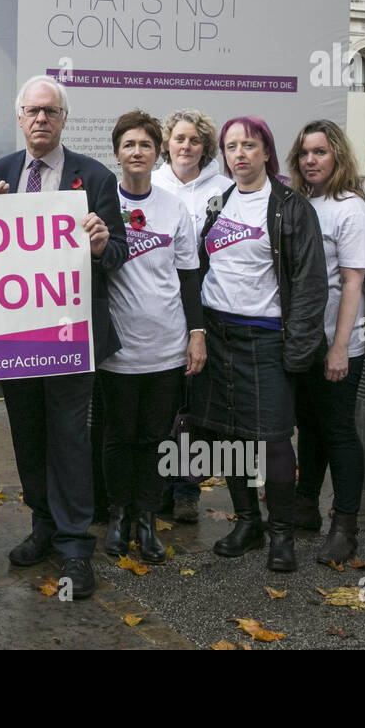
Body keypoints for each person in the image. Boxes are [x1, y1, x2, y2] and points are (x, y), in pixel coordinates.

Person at [0, 75, 127, 599]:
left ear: (63, 119)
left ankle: (73, 545)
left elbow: (117, 255)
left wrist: (100, 243)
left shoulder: (94, 177)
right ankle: (42, 525)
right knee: (26, 434)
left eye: (51, 111)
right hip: (15, 337)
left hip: (72, 335)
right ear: (20, 117)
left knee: (69, 438)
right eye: (32, 111)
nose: (41, 119)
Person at [187, 116, 327, 572]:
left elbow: (309, 284)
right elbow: (203, 268)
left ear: (267, 151)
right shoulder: (217, 203)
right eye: (231, 147)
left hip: (266, 338)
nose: (240, 154)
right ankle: (247, 522)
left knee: (272, 441)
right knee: (230, 437)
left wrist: (298, 351)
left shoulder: (291, 206)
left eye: (249, 145)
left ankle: (280, 533)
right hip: (219, 335)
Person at [98, 110, 205, 563]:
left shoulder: (173, 206)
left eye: (145, 145)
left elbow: (188, 276)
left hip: (166, 344)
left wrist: (196, 333)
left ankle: (147, 519)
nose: (137, 152)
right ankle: (119, 516)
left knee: (156, 437)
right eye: (129, 145)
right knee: (119, 436)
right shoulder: (103, 204)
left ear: (156, 152)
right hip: (119, 348)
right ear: (117, 153)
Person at [286, 120, 365, 565]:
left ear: (337, 155)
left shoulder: (349, 208)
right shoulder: (301, 203)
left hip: (338, 342)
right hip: (304, 339)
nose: (310, 160)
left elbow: (354, 282)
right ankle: (304, 508)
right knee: (312, 427)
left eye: (319, 152)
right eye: (304, 153)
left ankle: (345, 527)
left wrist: (339, 347)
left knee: (339, 432)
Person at [150, 108, 231, 524]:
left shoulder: (225, 188)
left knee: (193, 403)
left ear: (206, 147)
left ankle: (186, 488)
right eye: (179, 138)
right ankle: (155, 487)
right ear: (167, 142)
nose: (186, 146)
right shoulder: (150, 182)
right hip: (158, 306)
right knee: (161, 401)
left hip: (207, 305)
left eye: (195, 140)